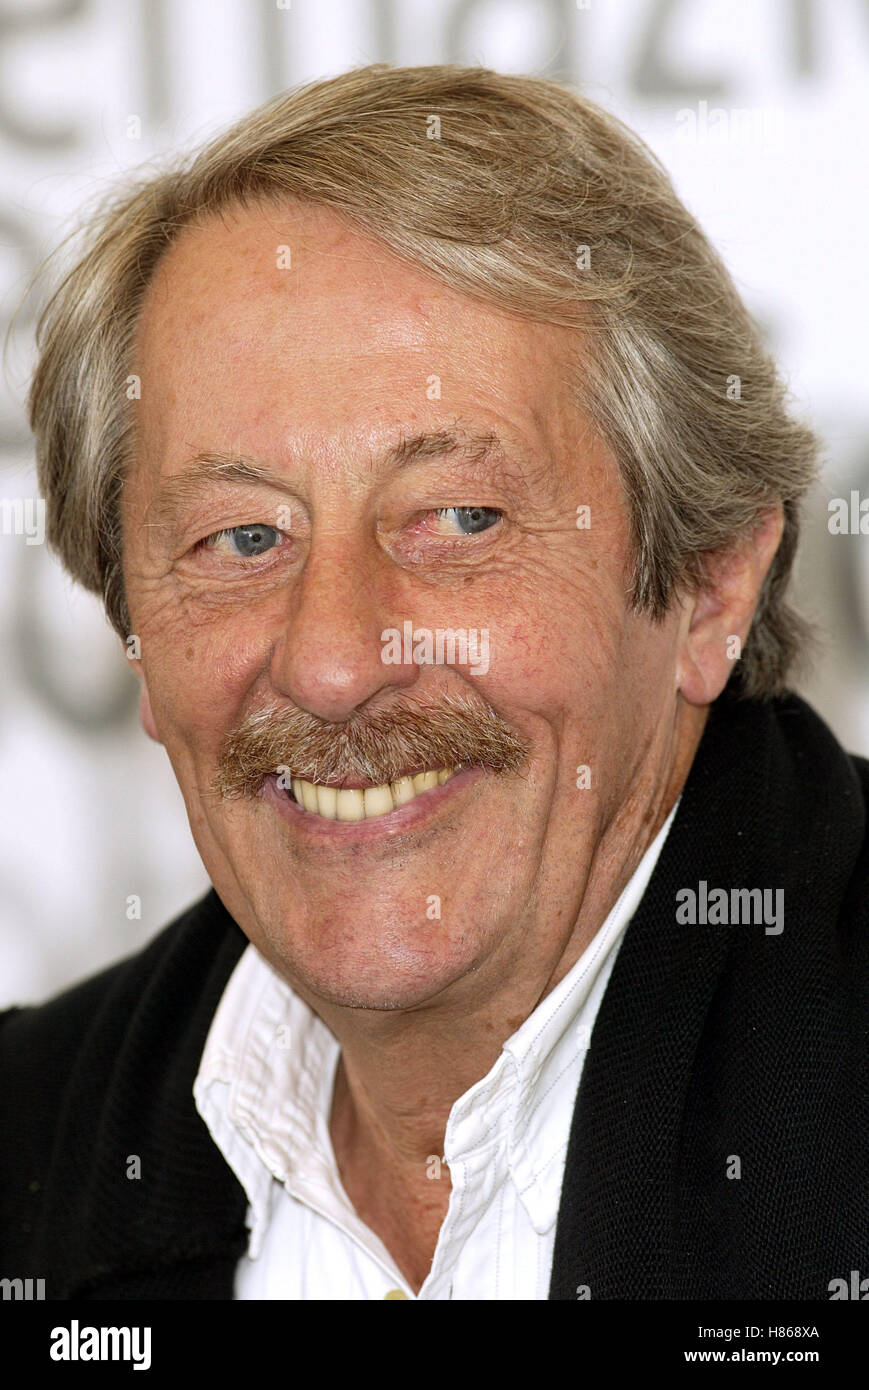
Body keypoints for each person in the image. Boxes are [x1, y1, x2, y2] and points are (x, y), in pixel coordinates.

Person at [1, 63, 866, 1301]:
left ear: (710, 585)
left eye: (458, 517)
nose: (337, 661)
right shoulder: (31, 1147)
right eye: (242, 539)